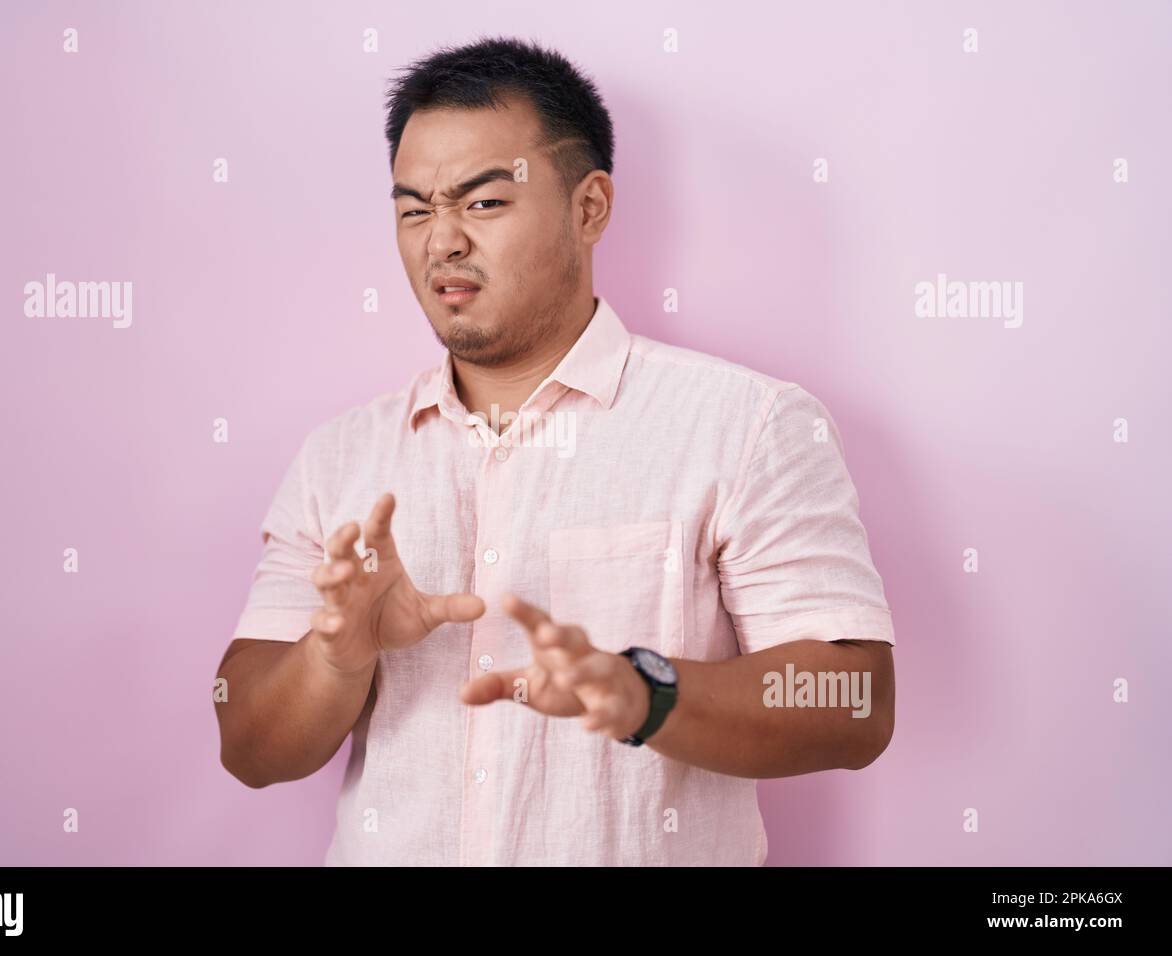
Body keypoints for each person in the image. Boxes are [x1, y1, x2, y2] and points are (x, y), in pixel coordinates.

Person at [215, 36, 895, 866]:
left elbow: (856, 703)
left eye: (484, 202)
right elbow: (248, 747)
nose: (443, 242)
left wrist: (649, 692)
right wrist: (336, 654)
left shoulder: (748, 424)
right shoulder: (340, 458)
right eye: (415, 209)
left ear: (590, 206)